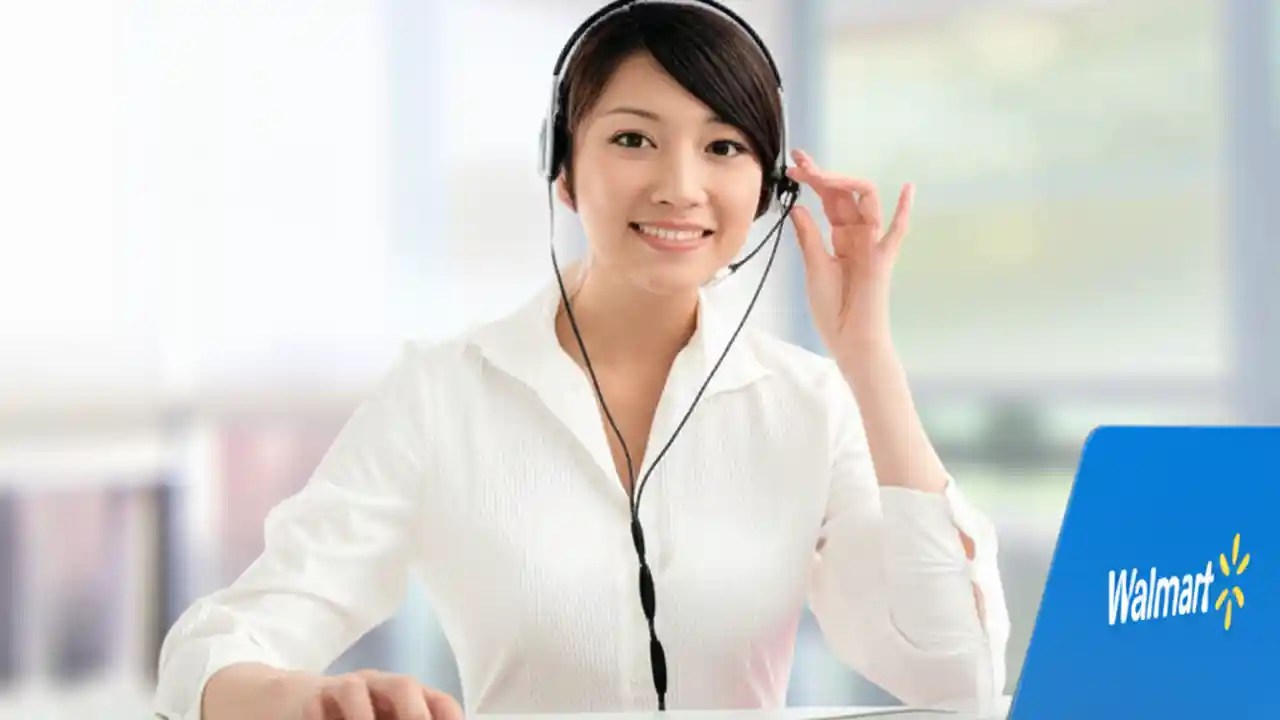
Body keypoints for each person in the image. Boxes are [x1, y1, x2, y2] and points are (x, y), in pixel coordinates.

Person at [153, 2, 1010, 719]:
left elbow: (954, 671)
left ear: (769, 186)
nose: (681, 185)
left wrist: (866, 353)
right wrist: (302, 700)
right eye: (634, 140)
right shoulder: (444, 393)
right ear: (561, 168)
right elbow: (213, 649)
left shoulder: (808, 402)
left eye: (724, 148)